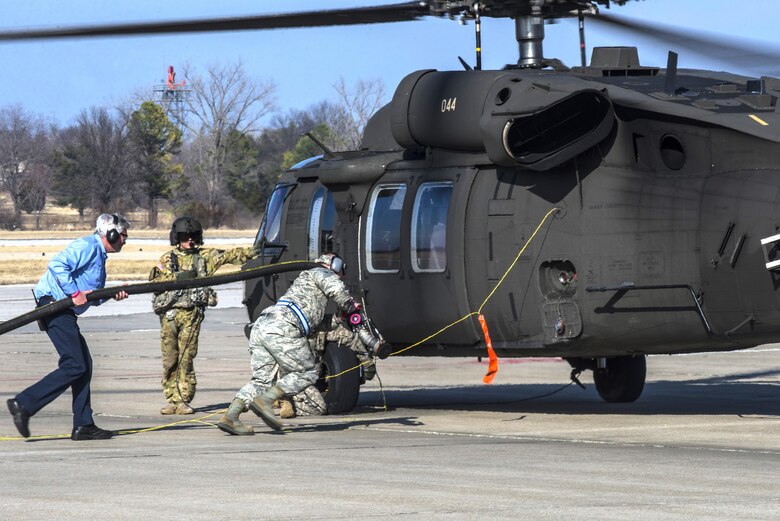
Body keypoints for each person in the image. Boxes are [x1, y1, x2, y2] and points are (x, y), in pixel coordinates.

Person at [6, 213, 131, 441]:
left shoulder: (99, 256)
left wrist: (112, 295)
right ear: (111, 234)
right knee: (75, 364)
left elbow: (88, 296)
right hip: (55, 306)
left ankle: (83, 425)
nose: (125, 240)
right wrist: (73, 293)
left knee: (84, 364)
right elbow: (57, 264)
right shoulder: (86, 246)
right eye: (123, 236)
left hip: (65, 311)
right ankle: (23, 403)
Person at [217, 252, 361, 435]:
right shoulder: (321, 272)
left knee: (262, 380)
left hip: (264, 325)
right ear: (334, 265)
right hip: (283, 327)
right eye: (341, 270)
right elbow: (337, 290)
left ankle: (231, 416)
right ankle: (266, 401)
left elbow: (313, 324)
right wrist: (350, 306)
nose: (341, 275)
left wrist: (339, 319)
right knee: (308, 372)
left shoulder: (305, 282)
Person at [148, 216, 258, 415]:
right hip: (170, 316)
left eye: (193, 236)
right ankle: (172, 399)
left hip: (191, 315)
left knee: (186, 358)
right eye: (184, 236)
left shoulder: (205, 257)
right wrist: (175, 278)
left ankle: (183, 399)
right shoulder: (166, 259)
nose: (189, 240)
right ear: (176, 237)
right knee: (169, 359)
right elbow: (155, 281)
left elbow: (230, 255)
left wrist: (254, 251)